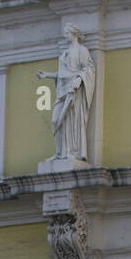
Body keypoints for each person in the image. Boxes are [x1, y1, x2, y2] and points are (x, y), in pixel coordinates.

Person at [37, 24, 96, 162]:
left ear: (74, 33)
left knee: (71, 121)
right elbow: (63, 74)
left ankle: (71, 151)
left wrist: (78, 80)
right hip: (62, 91)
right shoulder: (64, 53)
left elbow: (89, 69)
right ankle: (58, 153)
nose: (65, 35)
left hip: (73, 91)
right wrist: (47, 75)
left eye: (67, 32)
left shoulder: (82, 50)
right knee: (55, 120)